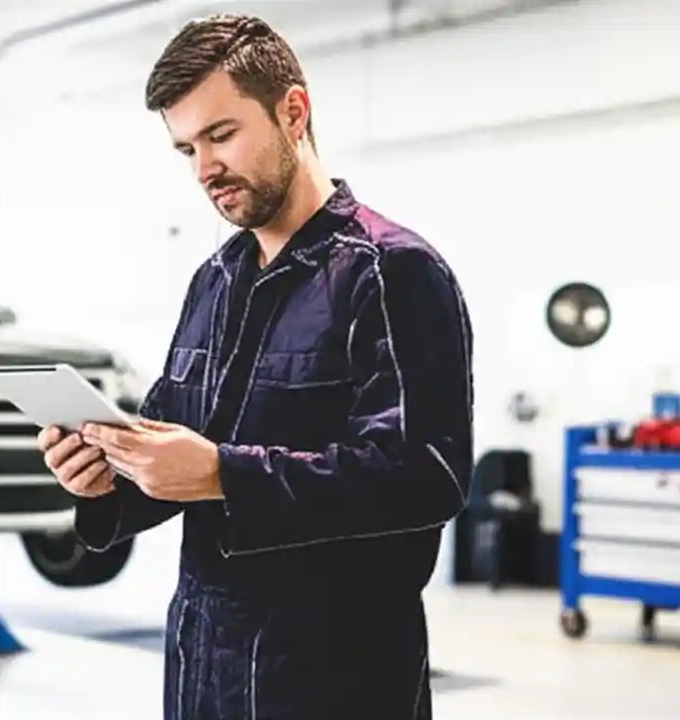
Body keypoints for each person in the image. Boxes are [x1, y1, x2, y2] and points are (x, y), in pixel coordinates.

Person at [37, 13, 473, 720]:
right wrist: (103, 479)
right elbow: (174, 453)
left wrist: (222, 473)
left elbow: (427, 478)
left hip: (336, 679)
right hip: (204, 667)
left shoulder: (391, 271)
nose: (204, 168)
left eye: (221, 135)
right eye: (186, 149)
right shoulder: (213, 282)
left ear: (292, 112)